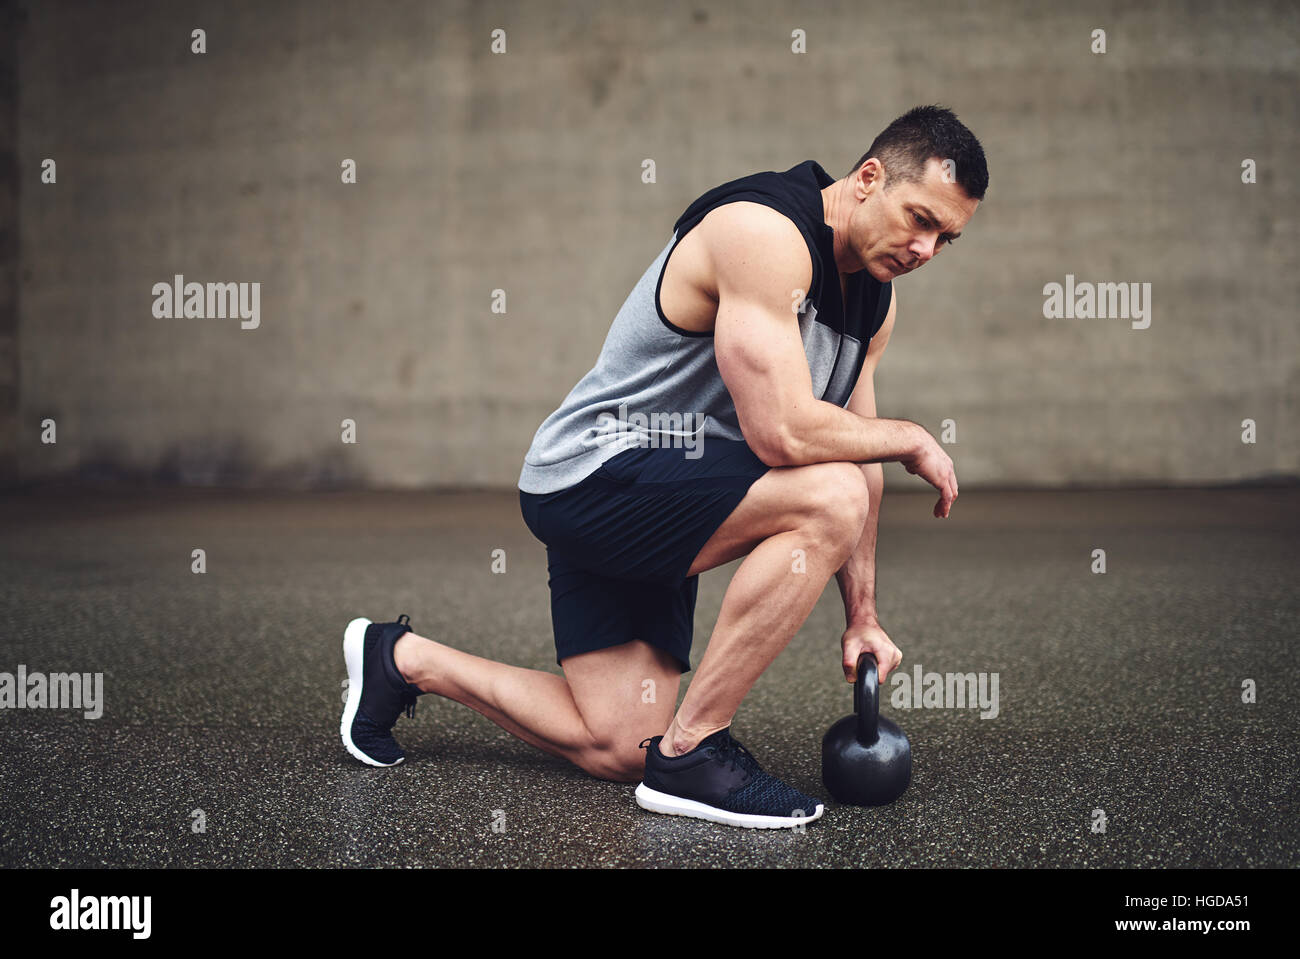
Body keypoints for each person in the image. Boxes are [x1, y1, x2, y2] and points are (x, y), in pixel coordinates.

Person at [340, 104, 987, 829]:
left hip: (668, 494)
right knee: (827, 494)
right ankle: (692, 754)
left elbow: (855, 447)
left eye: (947, 239)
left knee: (619, 741)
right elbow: (782, 435)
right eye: (920, 218)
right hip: (594, 475)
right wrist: (909, 437)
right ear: (869, 178)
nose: (927, 247)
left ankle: (400, 658)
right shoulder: (763, 232)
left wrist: (862, 616)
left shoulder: (874, 302)